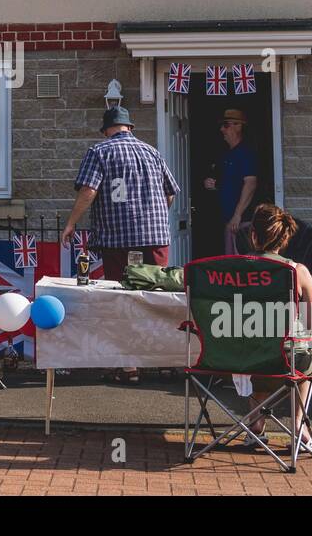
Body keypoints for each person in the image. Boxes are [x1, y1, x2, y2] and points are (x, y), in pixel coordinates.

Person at [62, 105, 180, 384]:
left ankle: (129, 365)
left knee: (123, 299)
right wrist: (151, 214)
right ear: (130, 128)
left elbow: (89, 191)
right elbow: (170, 194)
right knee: (158, 296)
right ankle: (164, 360)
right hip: (155, 238)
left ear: (106, 130)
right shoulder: (152, 152)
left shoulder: (99, 152)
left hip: (118, 238)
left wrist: (71, 223)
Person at [241, 204, 312, 452]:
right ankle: (299, 424)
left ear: (253, 236)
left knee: (253, 343)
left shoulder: (233, 269)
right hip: (287, 361)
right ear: (285, 238)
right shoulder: (297, 271)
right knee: (310, 348)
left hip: (235, 360)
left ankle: (256, 419)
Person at [203, 108, 258, 255]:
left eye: (226, 125)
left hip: (242, 222)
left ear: (238, 126)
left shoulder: (246, 153)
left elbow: (251, 183)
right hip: (230, 221)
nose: (222, 129)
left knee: (242, 264)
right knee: (231, 262)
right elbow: (229, 184)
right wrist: (213, 185)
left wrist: (237, 215)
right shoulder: (226, 154)